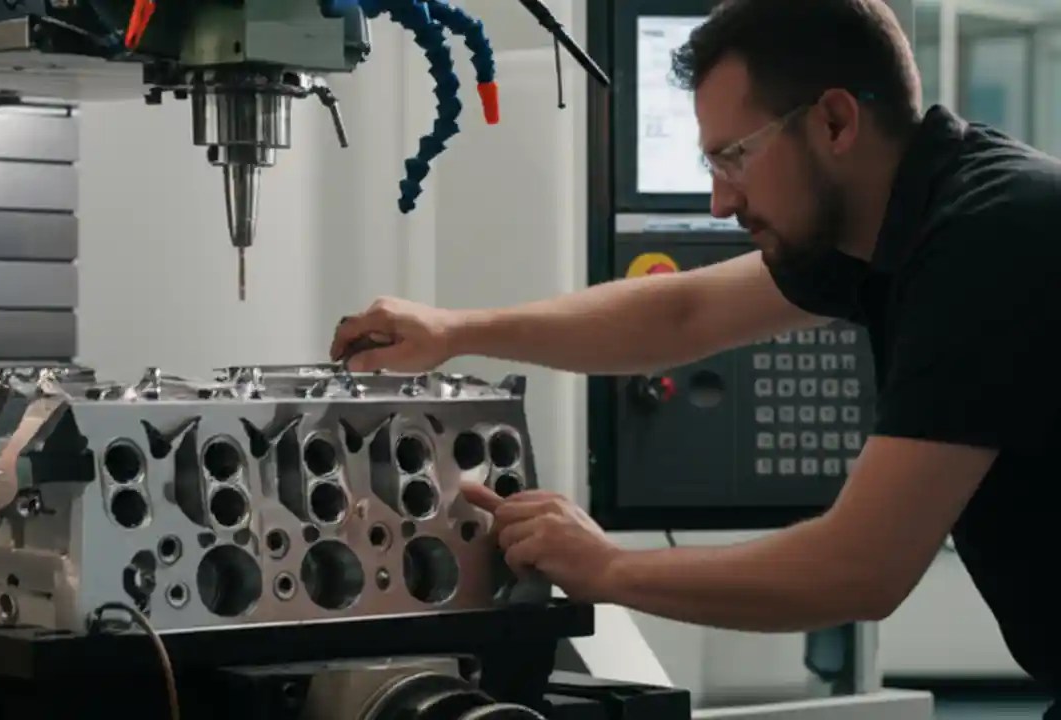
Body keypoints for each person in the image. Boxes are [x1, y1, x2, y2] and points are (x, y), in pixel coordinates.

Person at [330, 0, 1061, 708]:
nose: (718, 201)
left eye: (734, 157)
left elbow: (859, 569)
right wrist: (458, 331)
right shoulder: (901, 224)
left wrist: (607, 567)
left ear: (835, 120)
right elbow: (682, 311)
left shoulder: (989, 238)